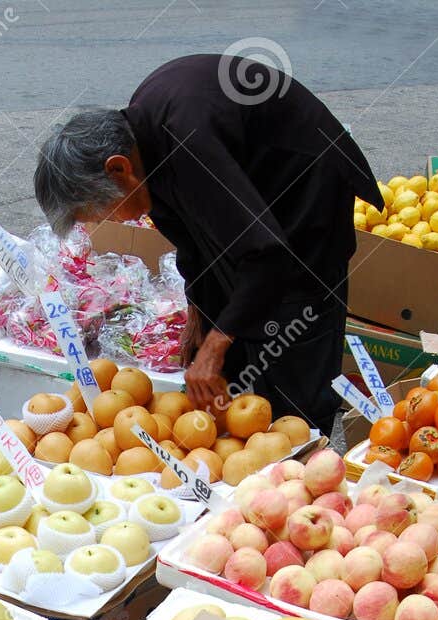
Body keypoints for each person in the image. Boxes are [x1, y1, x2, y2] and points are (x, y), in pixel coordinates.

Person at [33, 53, 380, 437]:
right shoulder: (144, 143)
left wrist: (217, 344)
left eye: (101, 212)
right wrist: (200, 311)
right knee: (221, 315)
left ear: (118, 168)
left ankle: (302, 434)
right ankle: (245, 416)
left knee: (293, 317)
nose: (110, 222)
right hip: (251, 186)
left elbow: (266, 254)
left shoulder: (187, 141)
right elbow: (195, 240)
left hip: (304, 184)